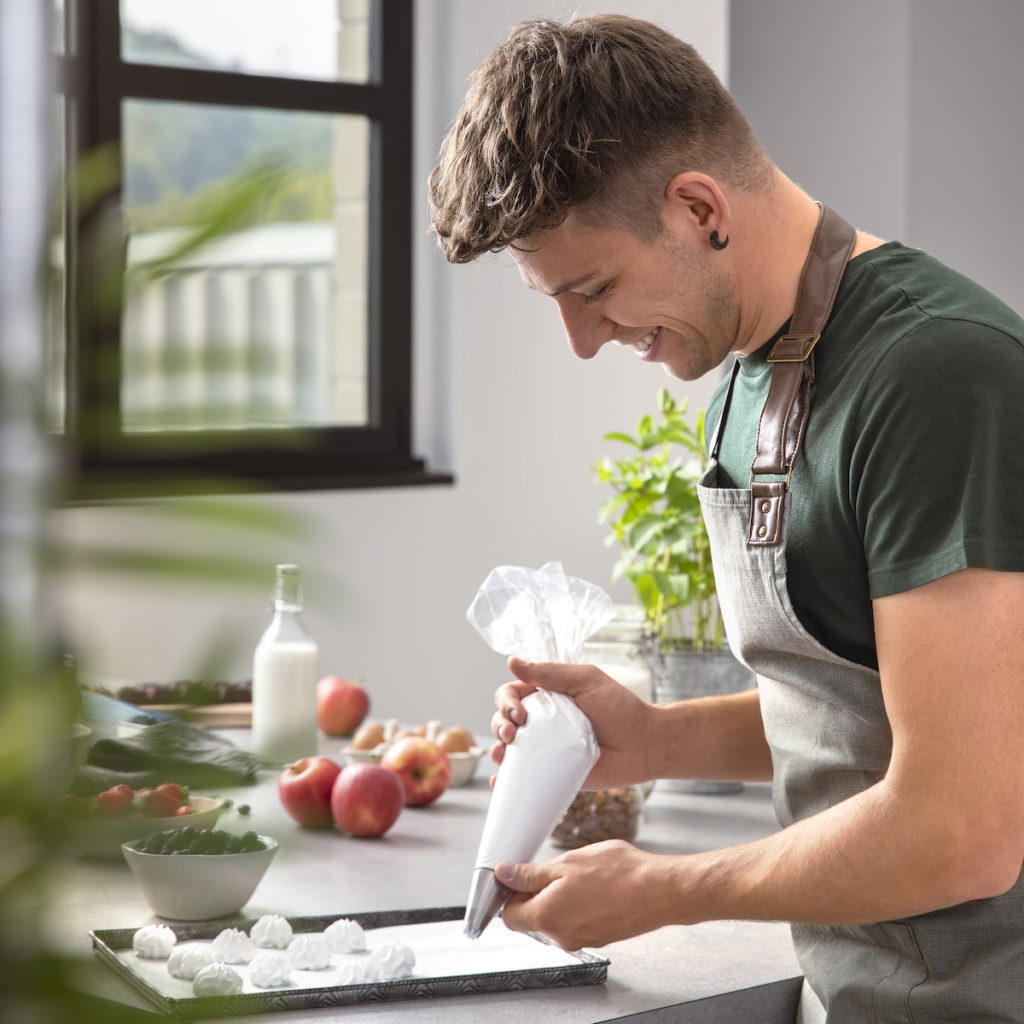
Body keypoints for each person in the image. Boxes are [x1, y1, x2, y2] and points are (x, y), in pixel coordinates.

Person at [428, 13, 1024, 1024]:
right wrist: (651, 740)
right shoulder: (747, 378)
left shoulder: (935, 375)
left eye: (593, 288)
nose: (580, 341)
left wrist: (663, 887)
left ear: (699, 207)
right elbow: (854, 710)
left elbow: (961, 823)